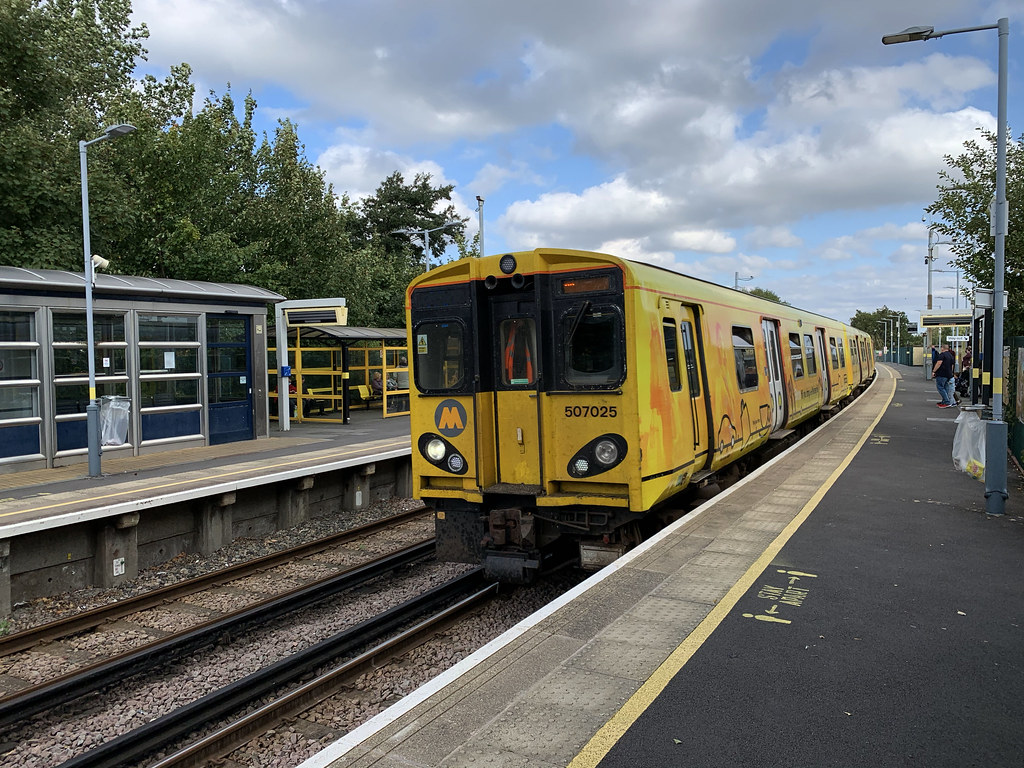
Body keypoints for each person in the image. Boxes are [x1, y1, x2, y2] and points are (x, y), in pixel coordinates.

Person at [932, 343, 956, 408]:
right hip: (948, 374)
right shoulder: (951, 355)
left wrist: (934, 371)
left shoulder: (942, 355)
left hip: (941, 374)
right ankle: (944, 401)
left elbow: (939, 363)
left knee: (940, 387)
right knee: (946, 388)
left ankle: (946, 402)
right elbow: (952, 366)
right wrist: (951, 373)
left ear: (942, 348)